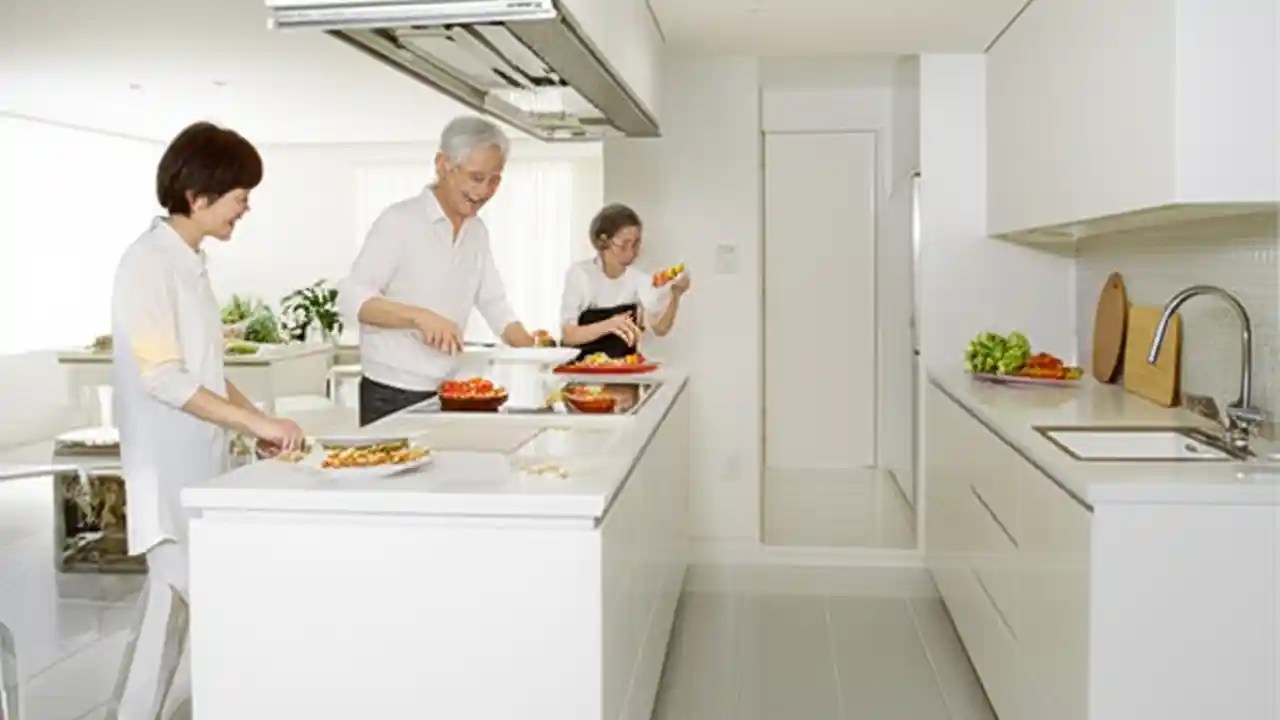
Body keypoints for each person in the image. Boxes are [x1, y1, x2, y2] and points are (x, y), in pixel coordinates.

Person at [107, 121, 305, 720]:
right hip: (165, 470)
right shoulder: (147, 263)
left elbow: (206, 370)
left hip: (198, 466)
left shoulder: (187, 260)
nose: (245, 208)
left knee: (173, 618)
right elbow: (164, 376)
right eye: (240, 195)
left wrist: (259, 419)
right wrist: (254, 426)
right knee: (189, 610)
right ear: (197, 196)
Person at [341, 115, 538, 426]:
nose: (485, 191)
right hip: (391, 391)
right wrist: (420, 317)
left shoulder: (477, 232)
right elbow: (352, 299)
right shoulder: (400, 221)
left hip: (446, 389)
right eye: (476, 177)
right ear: (444, 165)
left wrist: (537, 353)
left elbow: (493, 301)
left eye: (494, 179)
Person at [559, 203, 691, 360]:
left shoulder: (638, 279)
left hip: (624, 372)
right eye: (625, 244)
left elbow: (660, 328)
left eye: (636, 243)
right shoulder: (580, 274)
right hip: (582, 370)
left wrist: (675, 294)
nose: (633, 251)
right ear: (604, 241)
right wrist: (611, 324)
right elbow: (569, 335)